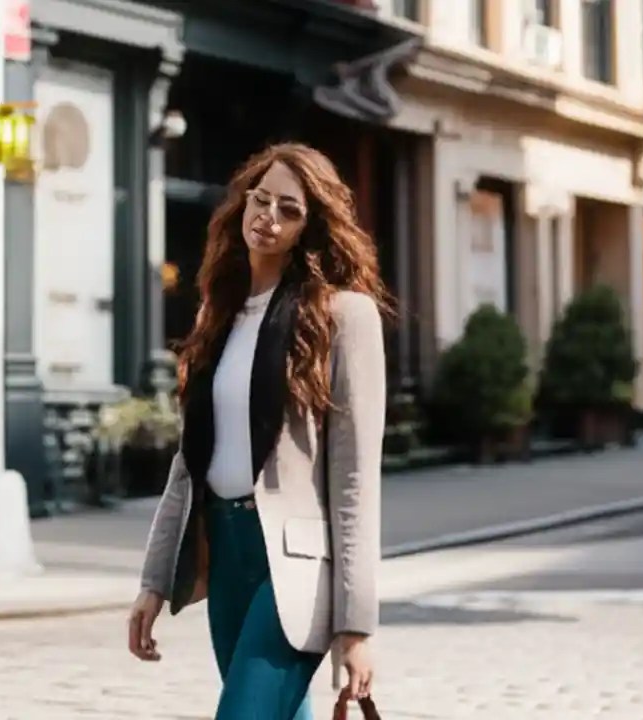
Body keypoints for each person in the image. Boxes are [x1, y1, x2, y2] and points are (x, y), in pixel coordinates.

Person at [127, 142, 389, 719]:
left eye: (288, 209)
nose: (267, 216)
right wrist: (154, 580)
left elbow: (354, 480)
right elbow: (188, 462)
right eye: (261, 199)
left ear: (310, 227)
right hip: (224, 554)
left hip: (292, 565)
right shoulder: (217, 315)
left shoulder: (343, 317)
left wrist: (356, 624)